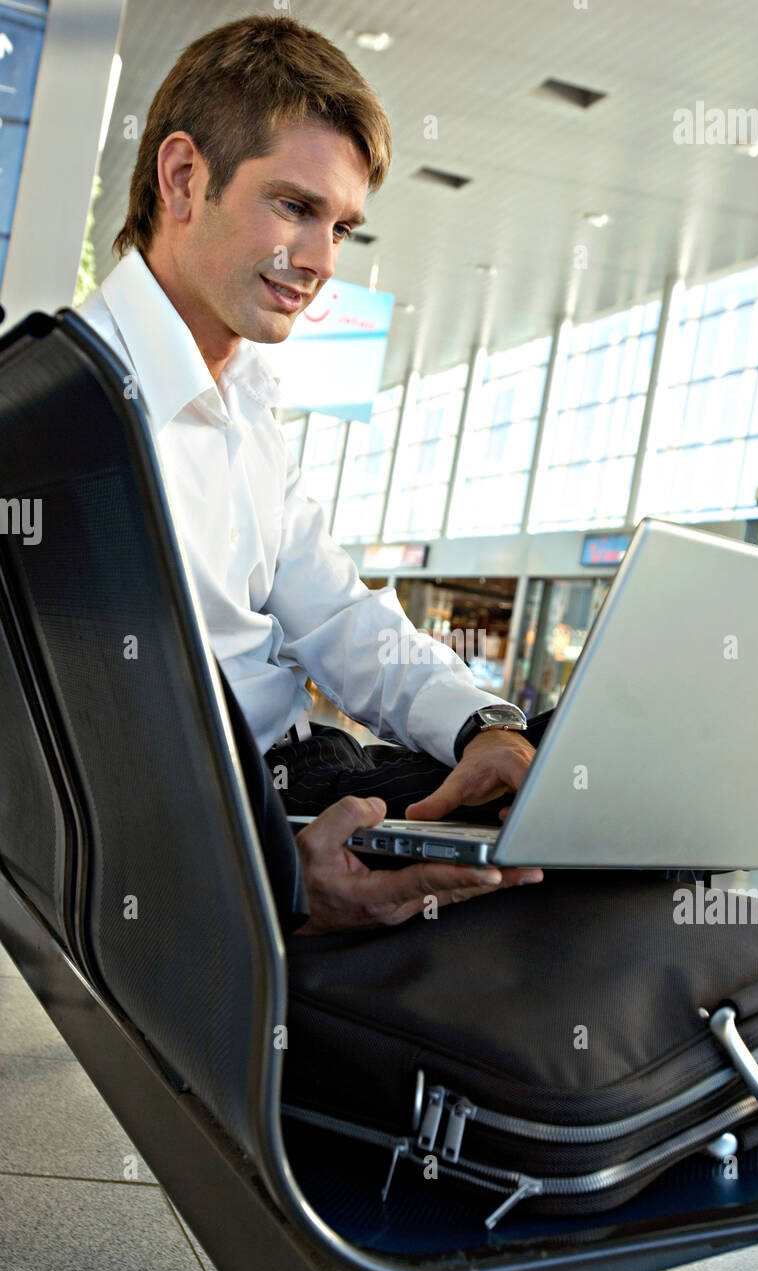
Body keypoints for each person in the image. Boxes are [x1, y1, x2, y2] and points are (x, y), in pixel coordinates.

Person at [78, 13, 553, 933]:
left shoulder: (246, 404)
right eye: (295, 207)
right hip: (226, 823)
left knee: (574, 816)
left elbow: (338, 616)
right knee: (552, 897)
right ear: (183, 178)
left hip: (308, 778)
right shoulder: (69, 413)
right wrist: (268, 879)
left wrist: (481, 724)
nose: (322, 262)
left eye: (342, 226)